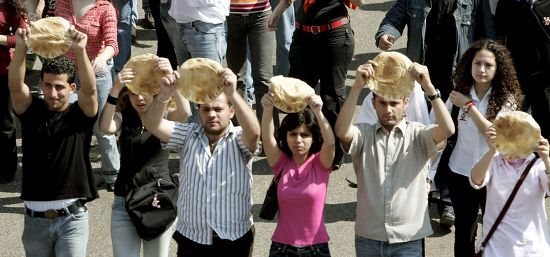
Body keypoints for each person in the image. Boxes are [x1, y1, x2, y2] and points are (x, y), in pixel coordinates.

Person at [375, 0, 495, 224]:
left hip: (457, 78)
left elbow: (487, 36)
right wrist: (386, 33)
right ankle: (419, 191)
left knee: (452, 136)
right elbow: (397, 14)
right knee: (422, 132)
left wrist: (487, 72)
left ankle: (447, 199)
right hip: (420, 78)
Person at [335, 61, 455, 257]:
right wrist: (357, 86)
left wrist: (429, 89)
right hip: (369, 238)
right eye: (382, 103)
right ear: (373, 104)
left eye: (394, 103)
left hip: (408, 240)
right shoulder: (364, 134)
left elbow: (448, 130)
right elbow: (341, 131)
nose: (388, 109)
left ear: (406, 103)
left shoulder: (418, 135)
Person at [142, 68, 260, 257]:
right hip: (192, 238)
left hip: (234, 237)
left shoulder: (239, 137)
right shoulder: (188, 134)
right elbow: (153, 124)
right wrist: (164, 94)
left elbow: (254, 132)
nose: (212, 114)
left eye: (218, 109)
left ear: (231, 112)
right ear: (199, 111)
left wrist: (232, 94)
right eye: (206, 109)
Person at [9, 26, 98, 257]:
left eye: (60, 87)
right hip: (35, 220)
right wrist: (20, 48)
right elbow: (16, 87)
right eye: (47, 85)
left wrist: (80, 51)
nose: (53, 92)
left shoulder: (81, 114)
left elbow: (90, 90)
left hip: (73, 219)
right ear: (41, 84)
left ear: (72, 88)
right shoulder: (30, 110)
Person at [98, 58, 191, 257]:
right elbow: (105, 127)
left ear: (156, 91)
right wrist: (115, 89)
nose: (139, 98)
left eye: (145, 93)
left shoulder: (164, 115)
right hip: (124, 200)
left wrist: (172, 81)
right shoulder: (125, 116)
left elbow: (184, 113)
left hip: (158, 199)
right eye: (133, 93)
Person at [443, 39, 522, 256]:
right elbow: (440, 126)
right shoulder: (458, 93)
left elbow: (494, 136)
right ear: (469, 65)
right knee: (464, 234)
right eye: (477, 63)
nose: (482, 70)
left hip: (495, 174)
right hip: (461, 171)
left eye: (488, 65)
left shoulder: (507, 98)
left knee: (493, 232)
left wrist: (469, 106)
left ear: (498, 69)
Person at [269, 0, 360, 169]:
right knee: (296, 97)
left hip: (335, 35)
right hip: (303, 37)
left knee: (331, 98)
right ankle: (297, 150)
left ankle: (333, 155)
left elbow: (359, 2)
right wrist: (278, 10)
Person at [55, 0, 120, 190]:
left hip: (96, 72)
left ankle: (112, 175)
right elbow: (58, 34)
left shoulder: (105, 8)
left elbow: (112, 44)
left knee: (102, 126)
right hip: (68, 72)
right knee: (70, 126)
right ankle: (75, 174)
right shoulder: (63, 3)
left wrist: (102, 58)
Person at [260, 92, 335, 256]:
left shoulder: (321, 164)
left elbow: (330, 143)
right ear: (285, 137)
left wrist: (318, 112)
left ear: (314, 138)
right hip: (282, 248)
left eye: (304, 135)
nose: (298, 140)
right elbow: (267, 139)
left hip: (316, 248)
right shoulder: (281, 163)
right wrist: (267, 109)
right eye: (292, 134)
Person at [470, 126, 550, 256]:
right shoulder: (494, 162)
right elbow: (475, 180)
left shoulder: (538, 166)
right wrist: (491, 150)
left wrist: (546, 160)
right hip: (495, 248)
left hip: (532, 249)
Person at [495, 0, 550, 140]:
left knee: (546, 126)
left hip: (546, 78)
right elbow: (499, 38)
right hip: (518, 76)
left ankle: (543, 160)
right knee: (512, 125)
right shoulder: (507, 3)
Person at [226, 0, 276, 126]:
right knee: (235, 80)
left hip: (261, 14)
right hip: (229, 15)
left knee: (264, 80)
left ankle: (269, 137)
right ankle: (238, 134)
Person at [0, 0, 27, 184]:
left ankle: (7, 170)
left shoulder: (10, 6)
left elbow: (24, 38)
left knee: (4, 124)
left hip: (2, 72)